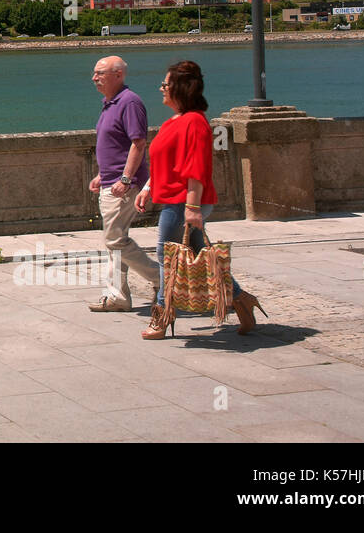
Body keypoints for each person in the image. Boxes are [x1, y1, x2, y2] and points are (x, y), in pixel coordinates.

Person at [135, 60, 267, 340]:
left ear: (180, 89)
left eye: (165, 84)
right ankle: (242, 300)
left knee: (166, 258)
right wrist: (149, 186)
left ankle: (162, 315)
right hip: (175, 199)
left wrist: (192, 207)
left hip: (184, 202)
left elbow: (195, 168)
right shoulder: (176, 120)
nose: (161, 88)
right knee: (203, 260)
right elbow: (166, 163)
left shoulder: (194, 122)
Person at [86, 55, 160, 311]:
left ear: (118, 75)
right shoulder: (109, 103)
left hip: (123, 185)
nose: (95, 78)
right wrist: (101, 174)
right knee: (114, 241)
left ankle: (161, 278)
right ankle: (118, 297)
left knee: (114, 240)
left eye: (100, 73)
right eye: (95, 73)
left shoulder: (130, 102)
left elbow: (138, 143)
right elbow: (113, 145)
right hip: (110, 181)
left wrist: (125, 179)